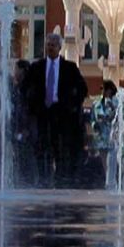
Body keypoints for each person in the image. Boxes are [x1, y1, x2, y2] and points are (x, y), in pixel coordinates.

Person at [18, 30, 87, 187]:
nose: (50, 48)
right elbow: (24, 87)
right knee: (41, 146)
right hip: (42, 112)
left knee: (60, 147)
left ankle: (60, 178)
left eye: (53, 45)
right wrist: (30, 104)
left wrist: (73, 105)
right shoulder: (37, 67)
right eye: (48, 45)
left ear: (59, 47)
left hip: (62, 113)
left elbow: (83, 89)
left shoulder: (69, 67)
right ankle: (43, 178)